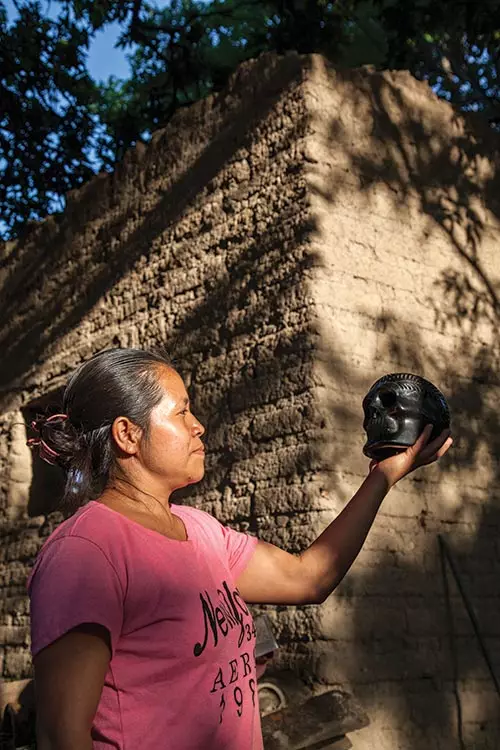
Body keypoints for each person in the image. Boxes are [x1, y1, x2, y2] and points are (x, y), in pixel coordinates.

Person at [26, 348, 452, 750]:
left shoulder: (201, 531)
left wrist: (383, 475)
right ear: (127, 435)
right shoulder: (86, 552)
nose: (198, 425)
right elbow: (62, 736)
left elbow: (309, 577)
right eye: (182, 411)